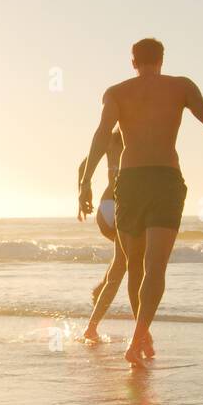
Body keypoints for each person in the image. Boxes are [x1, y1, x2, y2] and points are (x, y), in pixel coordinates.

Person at [80, 38, 203, 366]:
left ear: (132, 61)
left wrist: (85, 184)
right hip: (165, 178)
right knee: (155, 266)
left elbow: (100, 134)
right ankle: (138, 338)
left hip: (130, 182)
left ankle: (140, 335)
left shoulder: (117, 92)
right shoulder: (181, 87)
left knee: (133, 264)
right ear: (162, 59)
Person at [77, 132, 132, 342]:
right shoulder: (137, 135)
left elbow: (83, 167)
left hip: (106, 208)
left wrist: (82, 194)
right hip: (122, 207)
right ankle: (92, 328)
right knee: (122, 263)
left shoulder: (109, 140)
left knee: (124, 258)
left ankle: (101, 290)